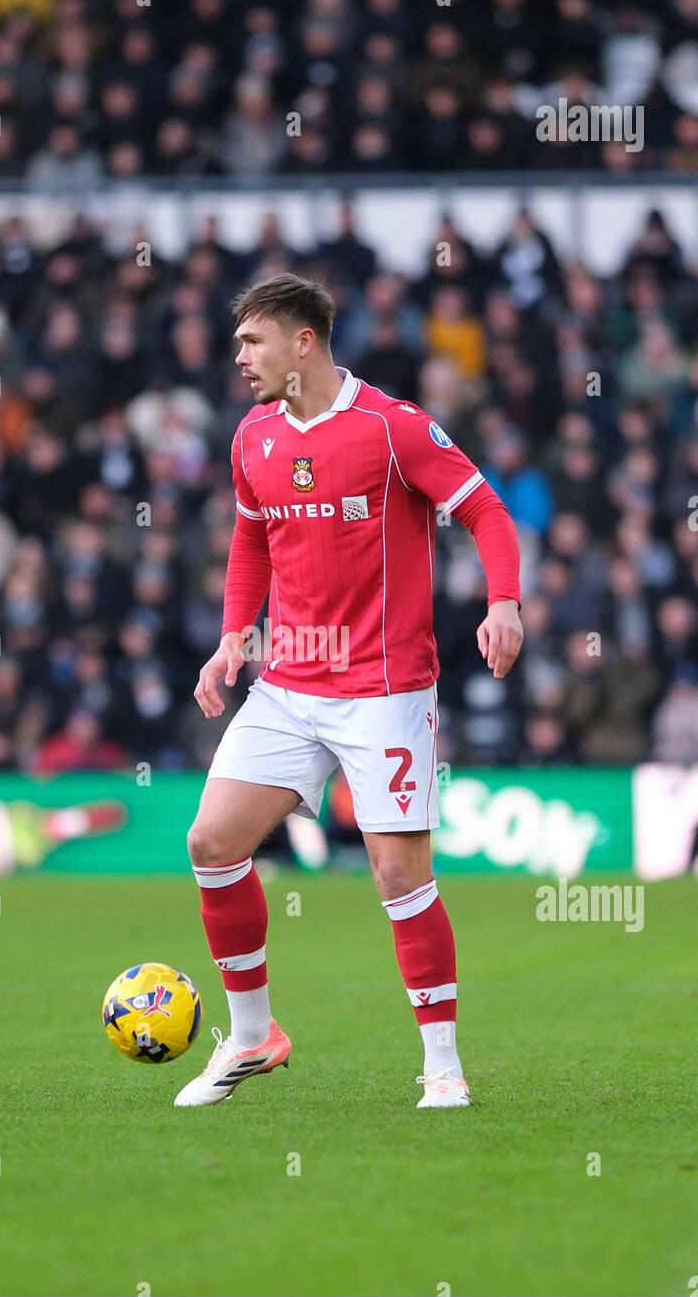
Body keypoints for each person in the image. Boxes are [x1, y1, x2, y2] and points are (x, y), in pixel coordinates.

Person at [177, 274, 523, 1110]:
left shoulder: (392, 428)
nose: (240, 357)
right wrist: (233, 634)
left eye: (252, 341)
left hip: (384, 687)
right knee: (212, 843)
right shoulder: (253, 437)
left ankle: (442, 1064)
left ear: (304, 342)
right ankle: (254, 1036)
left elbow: (486, 511)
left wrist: (504, 602)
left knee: (398, 875)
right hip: (290, 682)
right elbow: (251, 541)